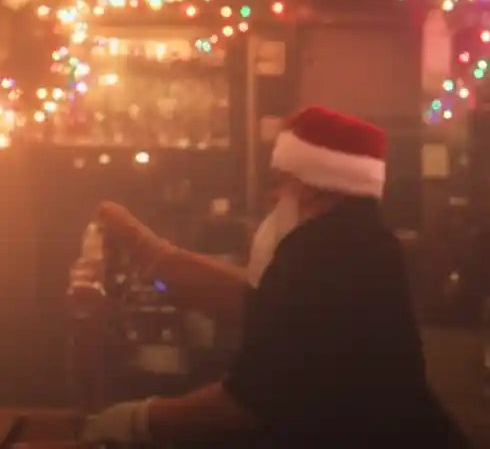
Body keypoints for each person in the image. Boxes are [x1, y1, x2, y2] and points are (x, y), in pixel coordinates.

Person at [81, 106, 463, 446]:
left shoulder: (321, 253)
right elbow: (262, 304)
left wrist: (137, 420)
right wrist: (149, 252)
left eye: (280, 181)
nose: (271, 197)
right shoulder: (355, 239)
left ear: (311, 187)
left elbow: (247, 404)